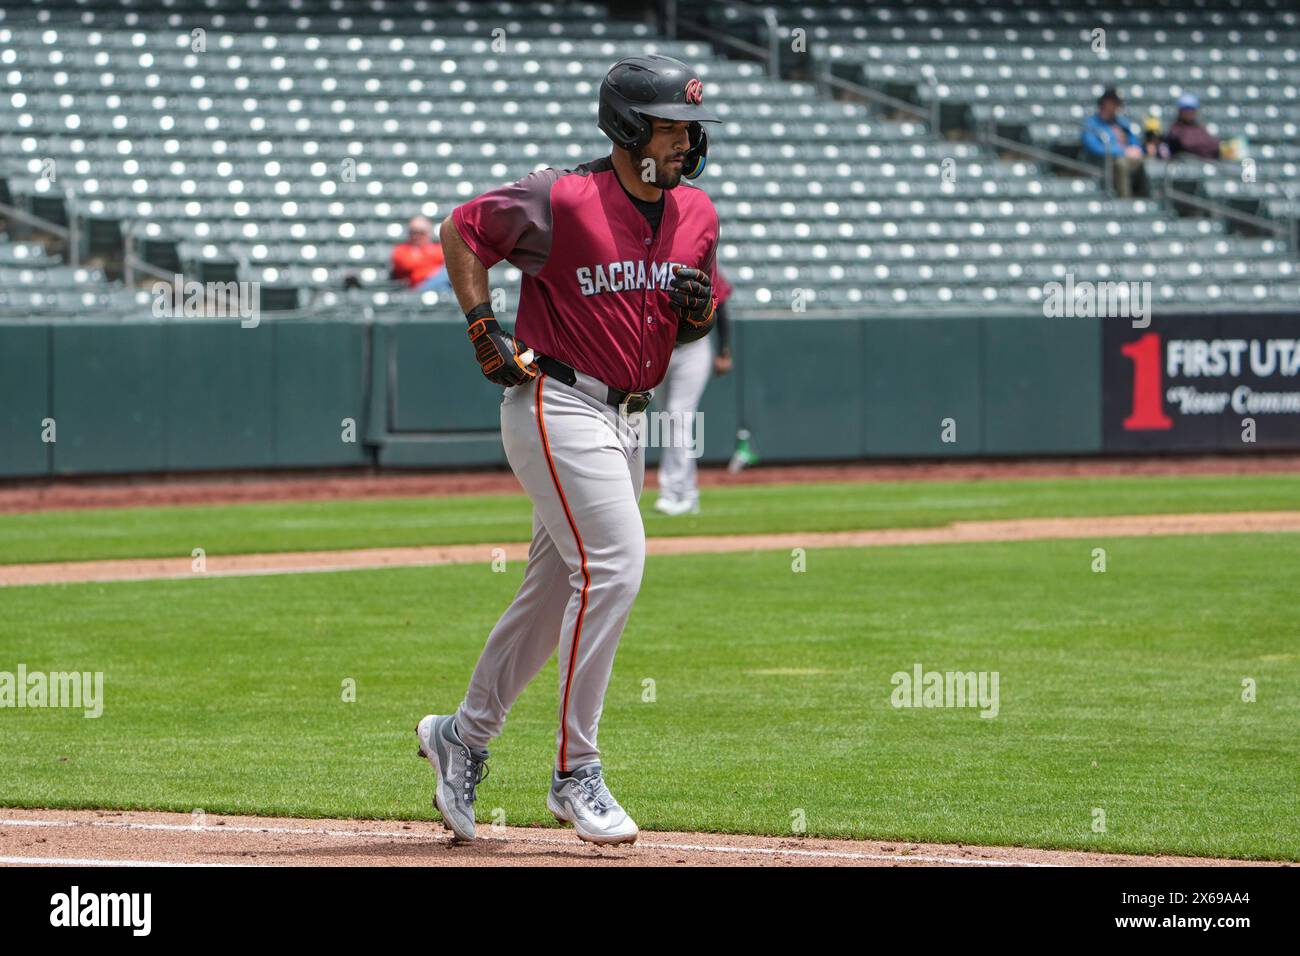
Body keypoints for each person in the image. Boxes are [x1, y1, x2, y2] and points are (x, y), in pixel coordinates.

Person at [415, 54, 721, 846]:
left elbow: (690, 320)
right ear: (626, 126)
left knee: (551, 599)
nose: (685, 140)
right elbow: (462, 229)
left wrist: (694, 318)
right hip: (555, 402)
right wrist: (483, 326)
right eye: (670, 125)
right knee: (617, 563)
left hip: (627, 419)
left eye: (689, 126)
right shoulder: (561, 196)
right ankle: (574, 770)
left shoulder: (698, 213)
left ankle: (463, 737)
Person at [654, 267, 733, 516]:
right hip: (657, 348)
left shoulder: (694, 256)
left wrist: (724, 350)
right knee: (666, 421)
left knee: (679, 417)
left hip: (692, 349)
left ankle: (673, 492)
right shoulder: (644, 261)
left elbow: (720, 306)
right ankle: (688, 493)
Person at [1081, 88, 1149, 198]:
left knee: (1150, 162)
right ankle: (1125, 202)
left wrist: (1137, 149)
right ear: (1105, 103)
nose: (1117, 106)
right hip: (1105, 163)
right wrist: (1122, 151)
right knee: (1121, 164)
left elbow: (1133, 141)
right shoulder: (1092, 124)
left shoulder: (1121, 122)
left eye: (1118, 103)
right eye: (1115, 103)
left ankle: (1148, 201)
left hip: (1130, 159)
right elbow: (1093, 147)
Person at [390, 215, 451, 291]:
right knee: (447, 274)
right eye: (413, 232)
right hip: (417, 288)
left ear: (428, 233)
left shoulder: (438, 248)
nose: (417, 236)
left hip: (439, 286)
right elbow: (407, 264)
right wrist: (431, 260)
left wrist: (418, 257)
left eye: (421, 232)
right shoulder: (401, 250)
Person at [1164, 93, 1222, 160]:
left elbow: (1214, 145)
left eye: (1192, 109)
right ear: (1180, 111)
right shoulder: (1175, 129)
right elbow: (1186, 144)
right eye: (1186, 109)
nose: (1189, 112)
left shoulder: (1199, 128)